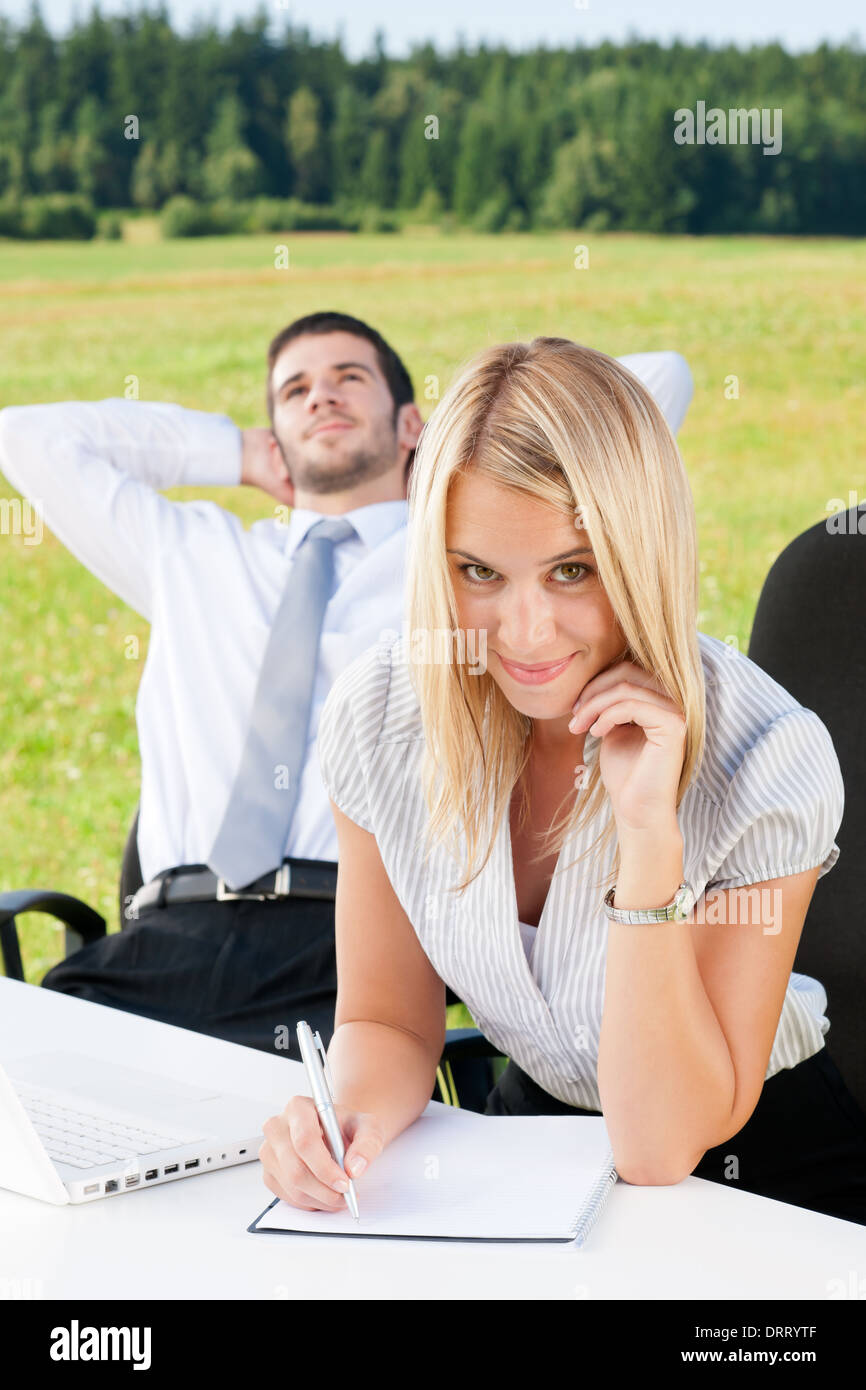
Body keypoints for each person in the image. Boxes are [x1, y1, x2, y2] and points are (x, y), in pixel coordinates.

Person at [258, 337, 866, 1226]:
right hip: (537, 1142)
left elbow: (659, 1149)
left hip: (760, 1178)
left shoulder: (767, 757)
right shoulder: (385, 717)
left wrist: (650, 838)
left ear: (640, 551)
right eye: (479, 573)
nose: (527, 632)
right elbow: (387, 1020)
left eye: (572, 570)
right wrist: (343, 1123)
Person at [0, 313, 693, 1067]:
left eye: (348, 379)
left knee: (319, 1161)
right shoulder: (193, 555)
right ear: (276, 438)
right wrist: (232, 452)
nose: (321, 397)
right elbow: (27, 439)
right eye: (295, 390)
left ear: (409, 425)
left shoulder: (457, 567)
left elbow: (661, 378)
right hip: (156, 947)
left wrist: (463, 447)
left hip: (343, 949)